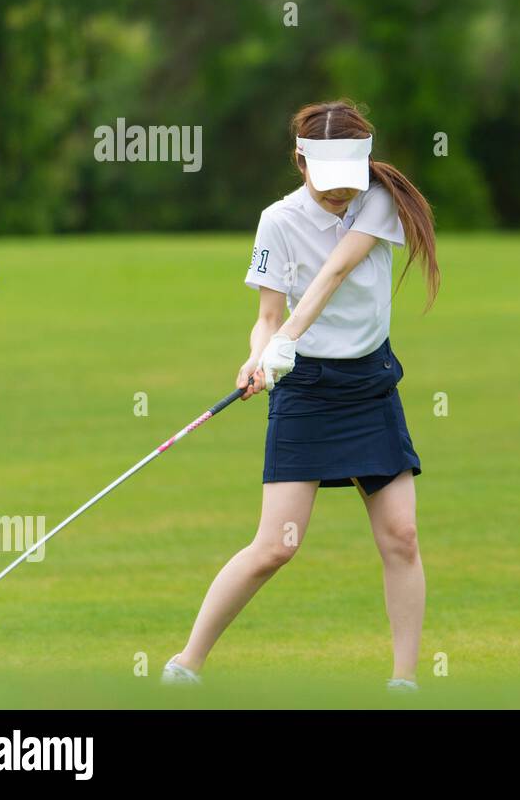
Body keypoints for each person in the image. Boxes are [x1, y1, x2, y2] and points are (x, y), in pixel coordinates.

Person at [162, 99, 439, 688]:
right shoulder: (277, 221)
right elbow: (266, 313)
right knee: (275, 547)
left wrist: (284, 336)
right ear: (300, 161)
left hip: (369, 384)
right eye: (329, 182)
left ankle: (405, 684)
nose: (341, 194)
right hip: (306, 391)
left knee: (402, 536)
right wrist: (259, 353)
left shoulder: (376, 199)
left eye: (349, 181)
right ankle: (185, 665)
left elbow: (333, 275)